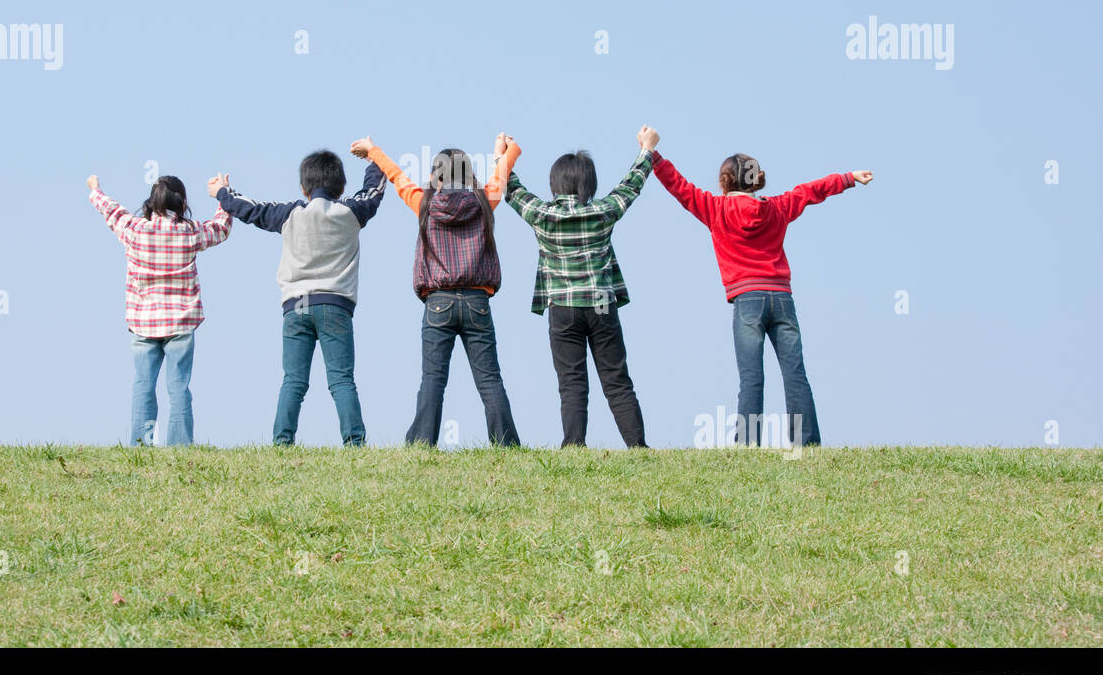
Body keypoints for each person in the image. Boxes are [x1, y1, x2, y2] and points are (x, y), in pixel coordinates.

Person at [650, 150, 873, 446]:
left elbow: (679, 186)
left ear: (725, 182)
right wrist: (847, 179)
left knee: (751, 377)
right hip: (782, 298)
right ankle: (806, 444)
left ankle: (747, 445)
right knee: (795, 373)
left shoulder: (715, 209)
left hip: (747, 301)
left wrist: (652, 155)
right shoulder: (777, 208)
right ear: (757, 181)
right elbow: (808, 192)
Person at [350, 134, 521, 447]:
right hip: (476, 301)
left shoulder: (424, 203)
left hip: (438, 303)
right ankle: (507, 444)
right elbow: (502, 176)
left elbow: (397, 176)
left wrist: (373, 151)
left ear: (434, 176)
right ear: (469, 175)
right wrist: (506, 152)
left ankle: (422, 443)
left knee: (433, 379)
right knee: (489, 380)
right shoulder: (485, 202)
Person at [209, 150, 384, 446]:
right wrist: (374, 160)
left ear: (304, 188)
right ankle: (354, 442)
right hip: (334, 304)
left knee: (293, 380)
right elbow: (373, 192)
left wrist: (222, 192)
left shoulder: (290, 214)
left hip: (296, 305)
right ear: (341, 187)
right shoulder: (351, 212)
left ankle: (282, 441)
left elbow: (251, 209)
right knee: (341, 379)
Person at [503, 126, 660, 448]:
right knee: (617, 380)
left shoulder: (543, 215)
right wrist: (647, 150)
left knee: (572, 382)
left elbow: (511, 190)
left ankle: (574, 444)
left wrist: (503, 156)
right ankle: (637, 446)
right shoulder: (602, 212)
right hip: (602, 303)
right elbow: (631, 186)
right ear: (590, 184)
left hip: (562, 307)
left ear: (554, 183)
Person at [86, 173, 231, 446]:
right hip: (180, 323)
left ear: (152, 202)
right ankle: (179, 447)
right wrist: (223, 195)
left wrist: (95, 190)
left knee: (143, 385)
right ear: (182, 201)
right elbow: (221, 228)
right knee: (178, 388)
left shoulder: (135, 229)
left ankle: (141, 444)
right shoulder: (189, 231)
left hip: (143, 322)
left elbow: (111, 211)